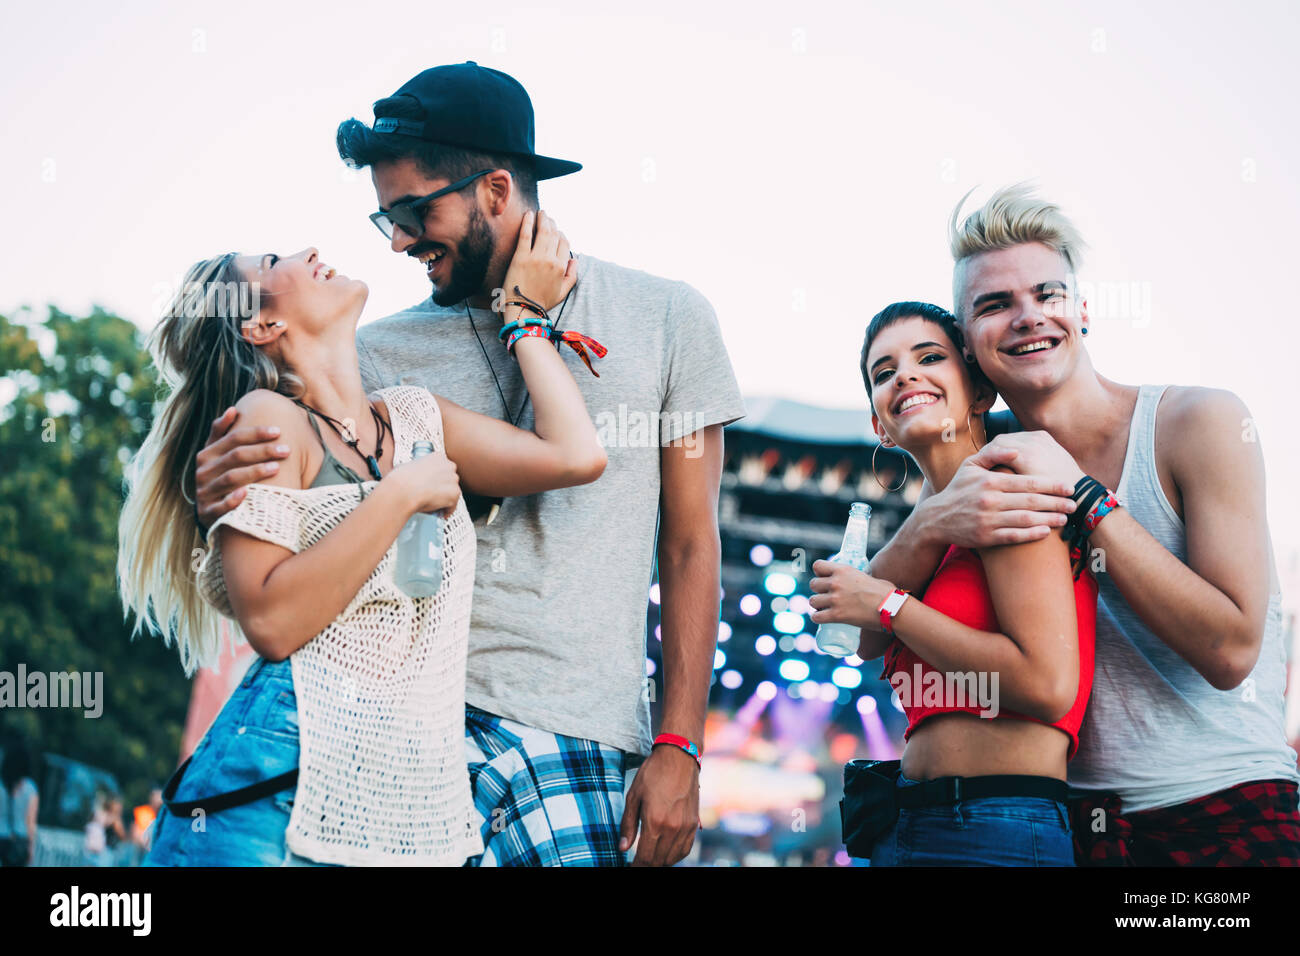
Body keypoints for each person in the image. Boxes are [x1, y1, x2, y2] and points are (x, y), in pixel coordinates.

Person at [190, 62, 746, 866]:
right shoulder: (376, 352)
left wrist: (680, 746)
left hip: (581, 735)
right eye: (387, 220)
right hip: (400, 737)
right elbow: (296, 510)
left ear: (494, 190)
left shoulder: (668, 318)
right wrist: (214, 494)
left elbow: (692, 548)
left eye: (414, 212)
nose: (402, 241)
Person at [119, 211, 603, 865]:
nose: (307, 249)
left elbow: (575, 455)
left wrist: (522, 320)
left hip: (387, 813)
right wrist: (401, 493)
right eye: (271, 263)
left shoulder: (415, 417)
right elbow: (272, 620)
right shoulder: (271, 422)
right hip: (269, 793)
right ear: (262, 325)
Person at [867, 184, 1300, 865]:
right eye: (994, 304)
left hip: (1221, 803)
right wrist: (924, 522)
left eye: (1047, 294)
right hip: (1079, 825)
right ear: (968, 347)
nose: (1027, 316)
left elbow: (1232, 650)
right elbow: (858, 628)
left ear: (1082, 310)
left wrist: (1083, 495)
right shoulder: (987, 465)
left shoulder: (1199, 421)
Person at [811, 301, 1096, 866]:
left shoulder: (1006, 486)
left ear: (981, 393)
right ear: (878, 425)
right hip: (909, 821)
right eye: (883, 372)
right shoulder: (931, 519)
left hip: (996, 827)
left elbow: (1045, 685)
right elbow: (857, 638)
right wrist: (927, 526)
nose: (905, 376)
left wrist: (890, 604)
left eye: (929, 357)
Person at [0, 743, 39, 867]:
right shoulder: (30, 789)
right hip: (20, 842)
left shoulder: (1, 786)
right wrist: (31, 849)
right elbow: (31, 823)